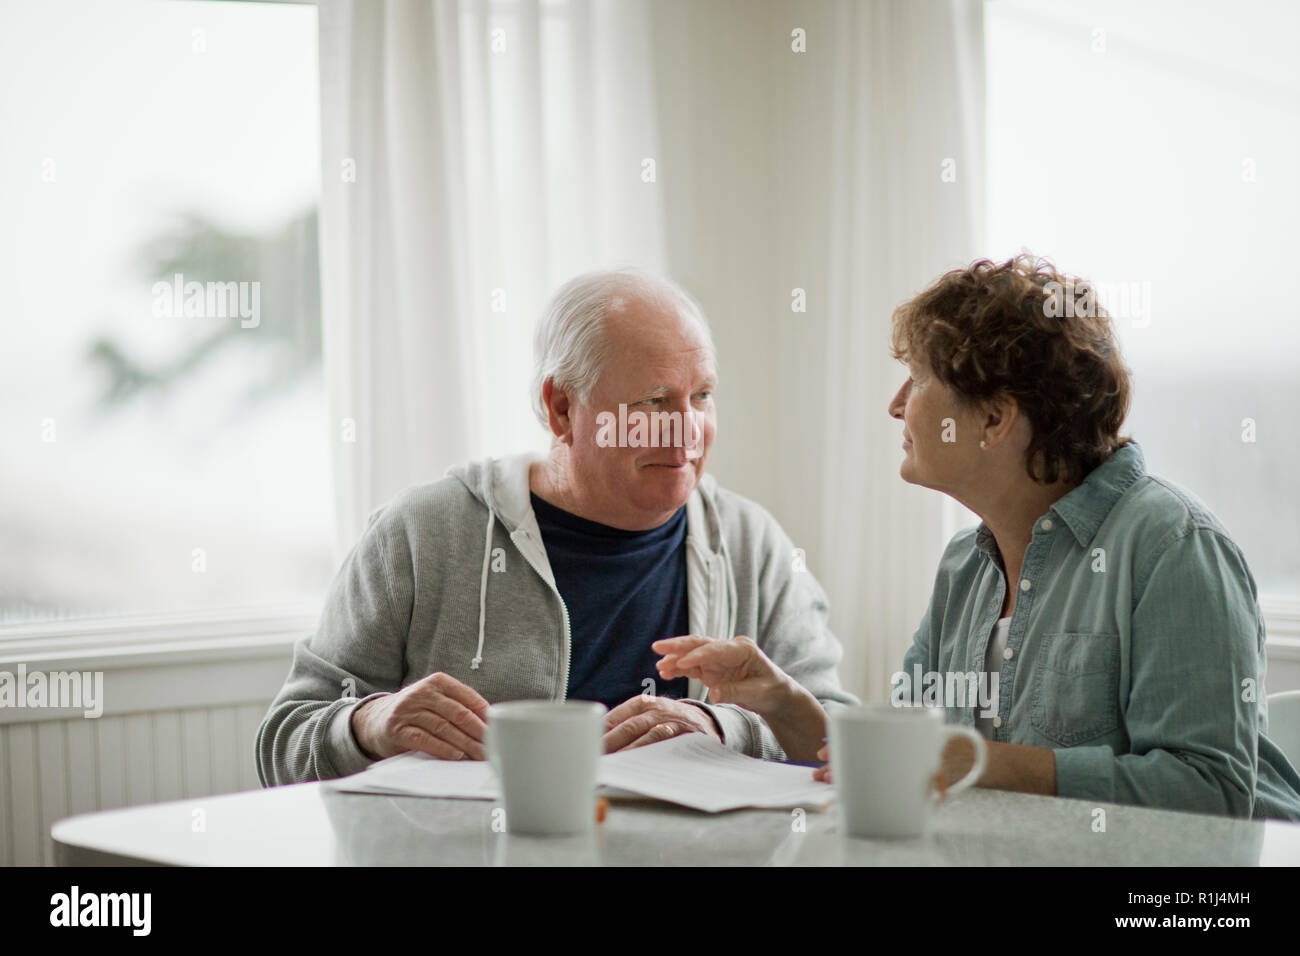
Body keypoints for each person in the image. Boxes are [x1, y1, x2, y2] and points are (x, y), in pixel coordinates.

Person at [660, 255, 1300, 820]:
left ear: (994, 418)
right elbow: (905, 759)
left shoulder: (1174, 547)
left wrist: (978, 761)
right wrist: (781, 699)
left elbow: (1209, 794)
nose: (895, 405)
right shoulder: (965, 566)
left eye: (917, 379)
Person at [256, 267, 856, 786]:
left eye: (700, 397)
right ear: (562, 408)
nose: (687, 430)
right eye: (653, 402)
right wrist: (368, 724)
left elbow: (833, 738)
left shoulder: (754, 545)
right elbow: (282, 743)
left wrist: (723, 727)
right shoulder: (419, 534)